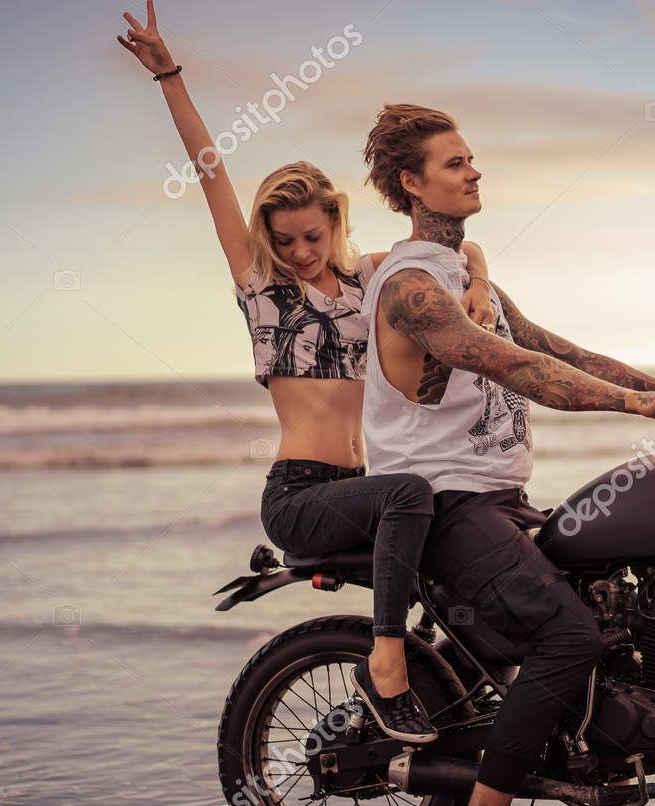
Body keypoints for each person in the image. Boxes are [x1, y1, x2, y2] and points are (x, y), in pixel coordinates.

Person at [360, 104, 655, 806]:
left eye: (472, 157)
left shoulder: (467, 275)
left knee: (614, 606)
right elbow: (514, 368)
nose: (474, 170)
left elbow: (554, 347)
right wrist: (640, 410)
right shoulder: (412, 288)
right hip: (442, 504)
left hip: (497, 498)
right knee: (569, 633)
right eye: (455, 163)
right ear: (412, 183)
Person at [117, 4, 496, 741]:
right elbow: (210, 172)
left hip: (364, 489)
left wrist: (478, 273)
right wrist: (169, 74)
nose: (299, 252)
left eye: (311, 236)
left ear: (335, 220)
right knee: (415, 491)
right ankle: (386, 665)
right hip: (300, 496)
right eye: (284, 240)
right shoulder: (262, 289)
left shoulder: (368, 278)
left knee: (472, 533)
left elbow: (447, 245)